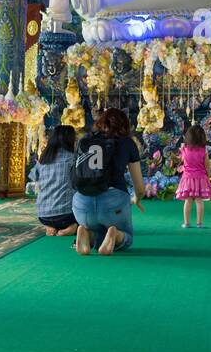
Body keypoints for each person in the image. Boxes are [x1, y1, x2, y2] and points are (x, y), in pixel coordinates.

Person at [72, 108, 144, 256]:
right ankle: (115, 234)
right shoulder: (127, 143)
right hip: (113, 201)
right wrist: (137, 198)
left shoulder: (85, 140)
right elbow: (140, 187)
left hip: (81, 202)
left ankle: (86, 232)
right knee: (127, 237)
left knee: (95, 224)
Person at [33, 125, 78, 237]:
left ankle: (50, 227)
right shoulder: (73, 158)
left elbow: (33, 177)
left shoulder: (43, 159)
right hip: (67, 215)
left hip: (43, 215)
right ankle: (73, 227)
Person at [176, 124, 211, 228]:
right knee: (199, 200)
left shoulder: (184, 149)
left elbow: (182, 161)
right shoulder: (204, 150)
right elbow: (207, 165)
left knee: (188, 200)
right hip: (201, 177)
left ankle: (186, 223)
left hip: (187, 178)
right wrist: (208, 176)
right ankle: (199, 223)